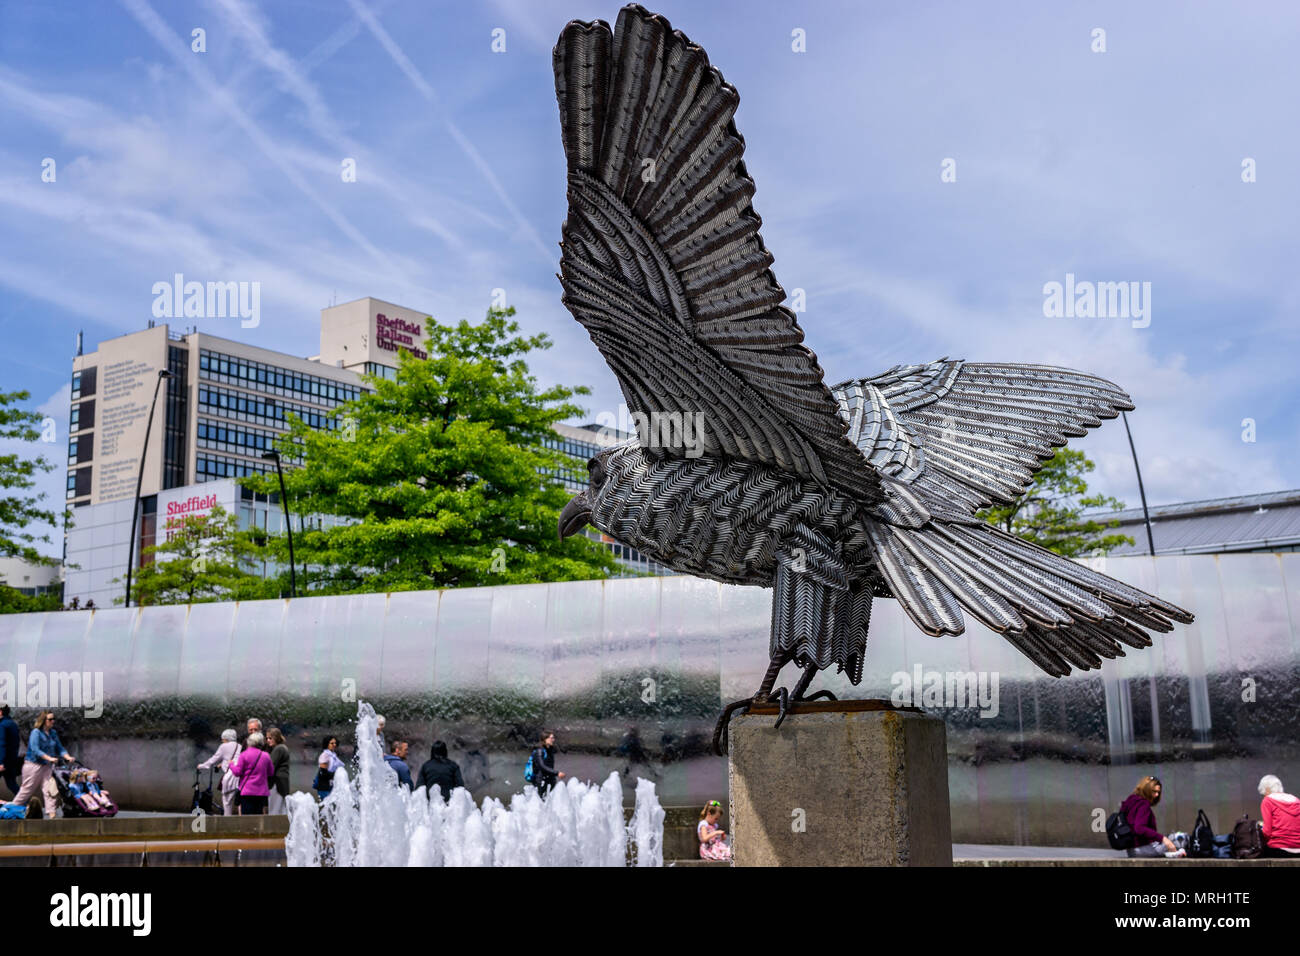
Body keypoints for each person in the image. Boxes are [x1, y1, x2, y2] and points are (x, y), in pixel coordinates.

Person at [9, 711, 75, 819]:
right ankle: (10, 811)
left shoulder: (53, 733)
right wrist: (49, 758)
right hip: (33, 765)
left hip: (47, 766)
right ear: (43, 721)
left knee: (49, 791)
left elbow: (59, 747)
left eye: (53, 719)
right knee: (26, 791)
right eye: (50, 719)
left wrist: (67, 757)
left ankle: (52, 816)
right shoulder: (36, 732)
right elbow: (35, 749)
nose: (53, 721)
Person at [1119, 775, 1184, 858]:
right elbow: (1139, 828)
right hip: (1142, 849)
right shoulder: (1143, 804)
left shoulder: (1131, 800)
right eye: (1154, 791)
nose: (1156, 795)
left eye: (1158, 792)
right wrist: (1163, 839)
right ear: (1146, 790)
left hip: (1131, 850)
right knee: (1180, 839)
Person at [228, 731, 274, 815]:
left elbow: (237, 772)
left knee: (247, 816)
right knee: (259, 815)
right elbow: (271, 773)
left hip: (247, 791)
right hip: (261, 792)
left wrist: (231, 765)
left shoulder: (244, 755)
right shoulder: (266, 755)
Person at [198, 729, 241, 816]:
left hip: (230, 776)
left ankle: (227, 820)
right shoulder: (239, 746)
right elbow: (232, 759)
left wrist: (202, 765)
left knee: (227, 801)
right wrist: (222, 764)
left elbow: (214, 759)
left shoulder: (224, 746)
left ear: (226, 738)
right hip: (240, 775)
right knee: (240, 801)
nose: (222, 740)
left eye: (223, 739)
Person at [1258, 774, 1300, 857]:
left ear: (1266, 789)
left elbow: (1267, 832)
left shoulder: (1268, 801)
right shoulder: (1296, 800)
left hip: (1278, 849)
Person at [530, 731, 565, 798]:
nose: (553, 740)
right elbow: (541, 766)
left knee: (547, 799)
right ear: (545, 739)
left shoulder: (549, 749)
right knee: (540, 799)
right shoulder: (539, 750)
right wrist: (557, 773)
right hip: (540, 779)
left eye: (553, 738)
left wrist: (553, 777)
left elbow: (550, 765)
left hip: (549, 778)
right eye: (551, 738)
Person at [266, 728, 291, 814]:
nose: (268, 740)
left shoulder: (278, 749)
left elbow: (271, 766)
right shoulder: (282, 747)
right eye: (267, 738)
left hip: (277, 782)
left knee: (275, 808)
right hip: (282, 782)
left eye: (270, 738)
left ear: (276, 738)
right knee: (281, 808)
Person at [0, 706, 20, 798]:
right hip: (11, 761)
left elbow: (2, 744)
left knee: (11, 784)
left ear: (0, 712)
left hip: (3, 762)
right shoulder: (13, 724)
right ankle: (26, 803)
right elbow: (16, 744)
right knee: (12, 784)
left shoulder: (2, 725)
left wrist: (1, 762)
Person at [315, 735, 342, 800]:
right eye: (332, 743)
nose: (334, 745)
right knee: (326, 805)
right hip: (324, 785)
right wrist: (337, 776)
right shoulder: (325, 755)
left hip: (331, 784)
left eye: (335, 743)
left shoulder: (333, 755)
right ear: (327, 744)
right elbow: (323, 772)